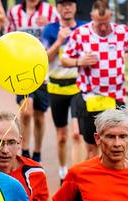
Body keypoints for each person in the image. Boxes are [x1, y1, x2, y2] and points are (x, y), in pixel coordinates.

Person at [60, 0, 128, 158]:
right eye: (98, 23)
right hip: (91, 97)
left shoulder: (122, 31)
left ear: (111, 16)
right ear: (91, 17)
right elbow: (64, 59)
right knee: (92, 147)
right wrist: (79, 62)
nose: (103, 27)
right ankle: (94, 180)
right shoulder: (81, 34)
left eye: (106, 22)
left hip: (115, 96)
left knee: (119, 145)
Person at [6, 0, 55, 162]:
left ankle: (37, 152)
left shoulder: (50, 12)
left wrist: (49, 25)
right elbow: (7, 39)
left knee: (39, 115)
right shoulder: (14, 13)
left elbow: (58, 35)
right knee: (26, 112)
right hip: (22, 70)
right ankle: (25, 151)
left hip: (42, 72)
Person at [42, 0, 85, 179]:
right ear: (58, 8)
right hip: (56, 87)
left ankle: (78, 175)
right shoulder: (50, 30)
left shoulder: (84, 28)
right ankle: (62, 171)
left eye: (70, 4)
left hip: (78, 87)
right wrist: (59, 41)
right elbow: (44, 57)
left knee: (76, 133)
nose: (67, 8)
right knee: (61, 136)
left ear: (75, 7)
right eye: (63, 4)